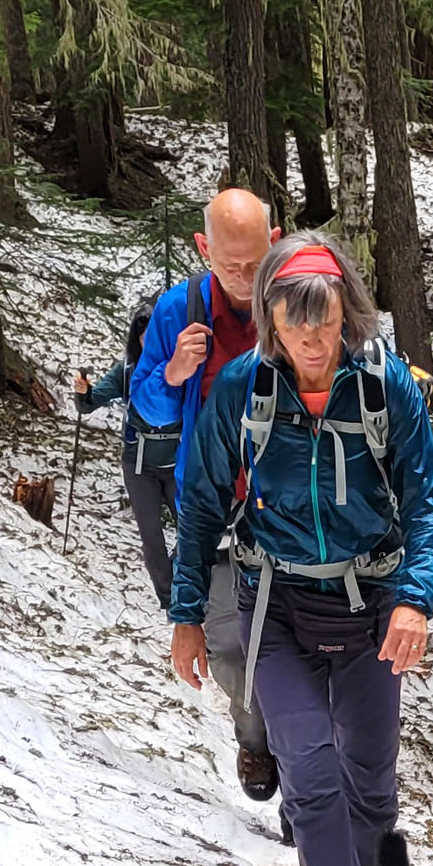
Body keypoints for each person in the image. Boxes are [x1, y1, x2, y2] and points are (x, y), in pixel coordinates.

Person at [171, 232, 433, 866]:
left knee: (371, 782)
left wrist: (416, 601)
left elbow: (427, 502)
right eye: (296, 325)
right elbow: (198, 506)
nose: (312, 340)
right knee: (311, 774)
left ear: (345, 315)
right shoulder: (241, 390)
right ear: (272, 322)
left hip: (371, 608)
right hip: (278, 609)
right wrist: (187, 613)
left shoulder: (386, 387)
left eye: (324, 323)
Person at [78, 189, 279, 799]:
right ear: (204, 249)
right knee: (226, 648)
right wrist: (173, 374)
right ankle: (257, 741)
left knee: (298, 653)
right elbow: (143, 401)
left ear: (274, 244)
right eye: (230, 265)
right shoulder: (177, 311)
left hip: (294, 508)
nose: (245, 280)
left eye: (254, 263)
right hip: (214, 505)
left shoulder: (297, 302)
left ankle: (306, 778)